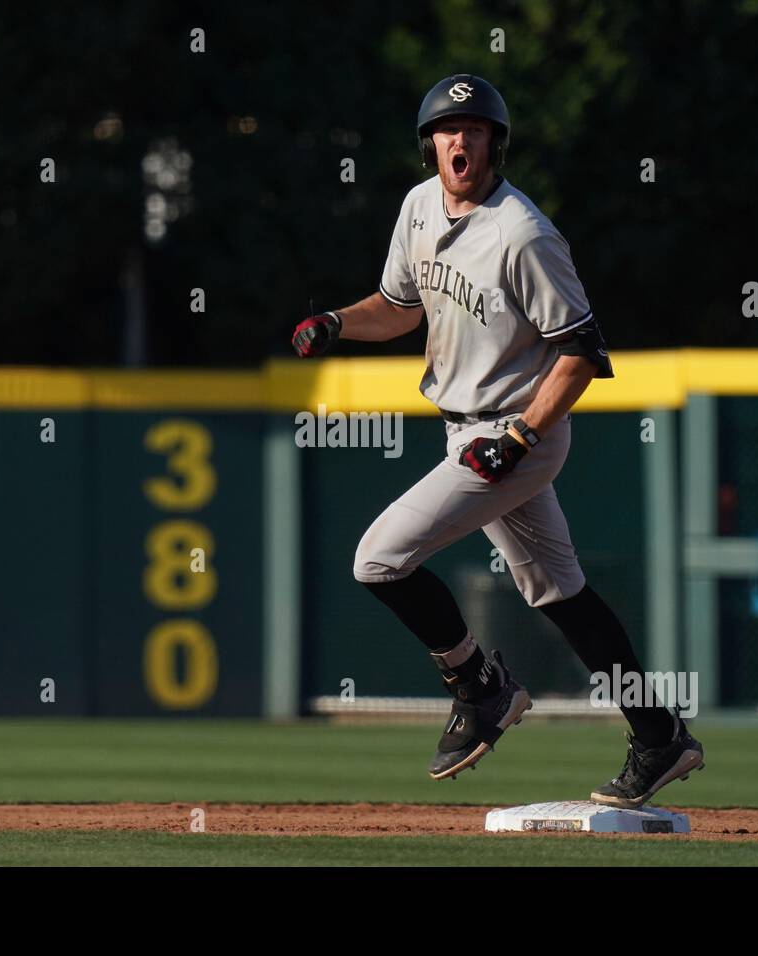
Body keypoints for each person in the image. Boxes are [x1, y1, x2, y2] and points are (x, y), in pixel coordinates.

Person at [291, 74, 704, 808]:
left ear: (495, 144)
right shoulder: (419, 207)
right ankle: (659, 733)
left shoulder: (523, 233)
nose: (461, 141)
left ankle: (480, 685)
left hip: (516, 434)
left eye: (476, 130)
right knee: (561, 592)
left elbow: (581, 353)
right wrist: (335, 323)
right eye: (449, 131)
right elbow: (395, 308)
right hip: (471, 431)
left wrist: (518, 436)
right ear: (430, 146)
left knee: (379, 559)